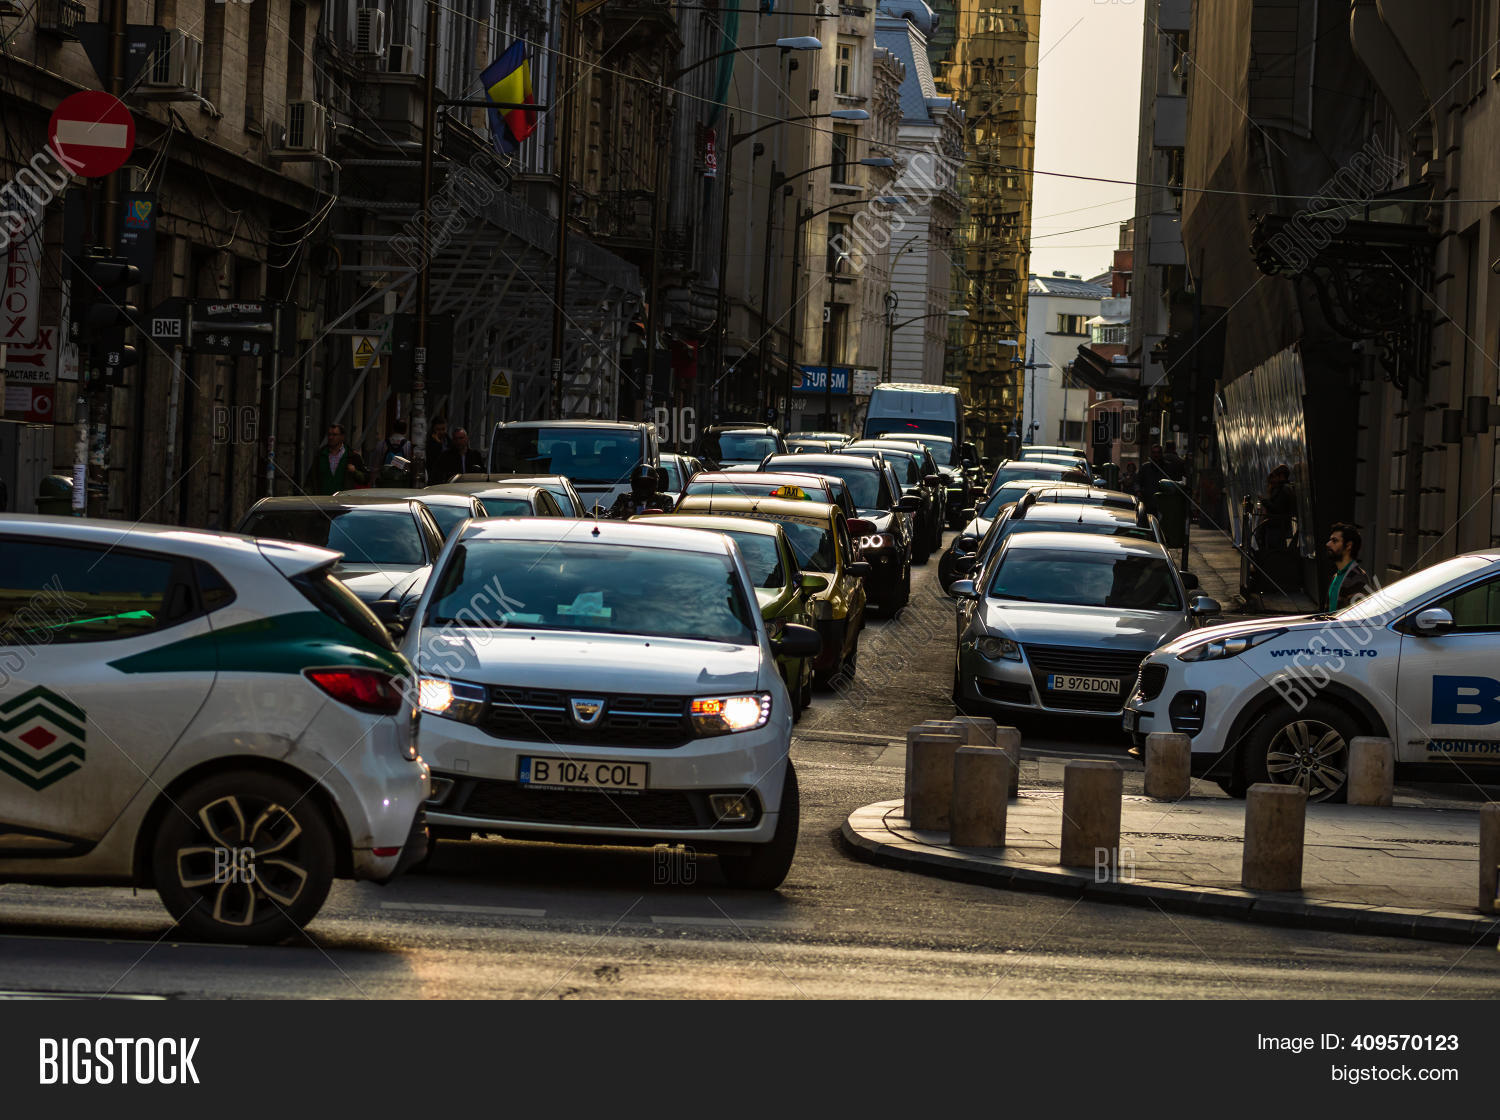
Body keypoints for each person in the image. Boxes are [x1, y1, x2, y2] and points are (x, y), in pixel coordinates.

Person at [305, 423, 367, 494]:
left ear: (342, 437)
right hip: (322, 501)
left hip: (344, 500)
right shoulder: (320, 455)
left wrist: (355, 472)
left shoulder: (352, 456)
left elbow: (365, 479)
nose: (331, 437)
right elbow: (311, 479)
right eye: (329, 435)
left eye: (334, 435)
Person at [1326, 521, 1369, 610]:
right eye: (1330, 540)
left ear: (1348, 546)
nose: (1328, 544)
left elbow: (1357, 619)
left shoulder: (1357, 578)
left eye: (1334, 541)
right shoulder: (1336, 576)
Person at [425, 417, 450, 483]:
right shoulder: (430, 442)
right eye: (438, 429)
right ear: (433, 430)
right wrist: (438, 443)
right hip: (435, 477)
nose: (441, 432)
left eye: (443, 429)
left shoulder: (448, 440)